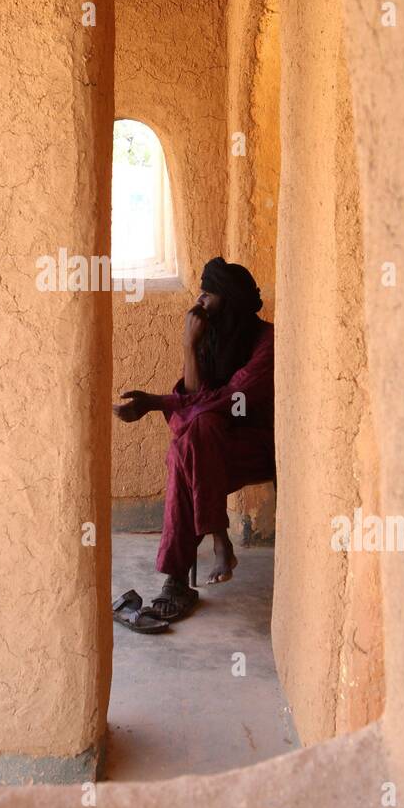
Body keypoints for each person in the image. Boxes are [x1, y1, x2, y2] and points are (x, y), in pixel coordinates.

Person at [113, 257, 275, 624]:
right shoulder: (211, 340)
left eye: (207, 295)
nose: (199, 303)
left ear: (229, 300)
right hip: (212, 449)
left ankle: (180, 578)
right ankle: (214, 544)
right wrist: (189, 345)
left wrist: (159, 403)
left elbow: (227, 400)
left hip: (257, 447)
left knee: (194, 438)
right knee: (190, 445)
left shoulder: (268, 342)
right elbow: (194, 398)